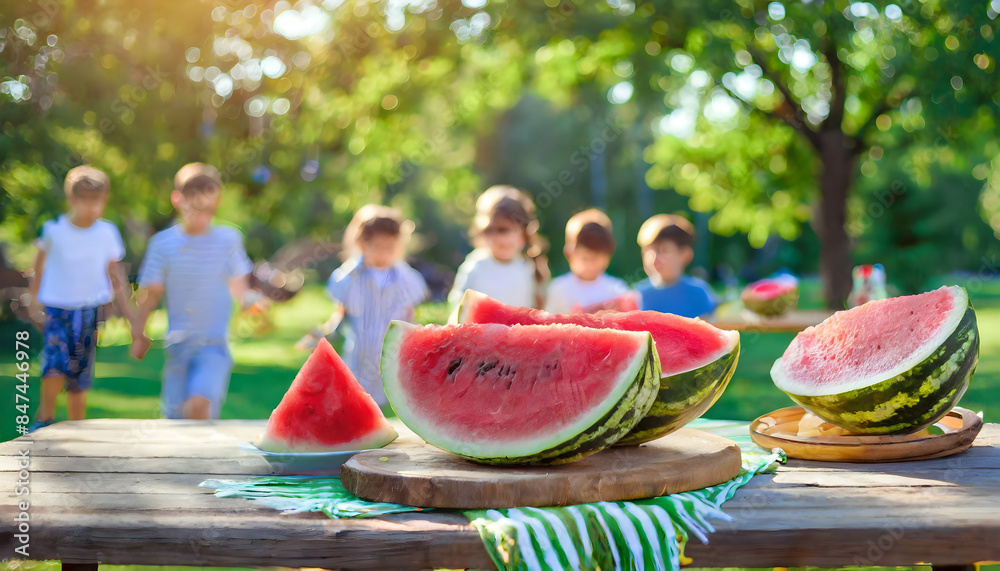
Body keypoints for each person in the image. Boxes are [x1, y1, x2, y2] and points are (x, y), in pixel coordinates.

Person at [130, 163, 254, 420]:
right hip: (177, 346)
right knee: (175, 423)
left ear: (217, 202)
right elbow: (151, 293)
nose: (201, 215)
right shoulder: (162, 244)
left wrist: (251, 302)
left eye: (207, 208)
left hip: (214, 345)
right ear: (178, 200)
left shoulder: (228, 239)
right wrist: (139, 332)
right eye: (195, 207)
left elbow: (239, 285)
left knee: (198, 408)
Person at [27, 165, 135, 431]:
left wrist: (129, 315)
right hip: (57, 306)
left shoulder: (107, 233)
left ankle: (78, 429)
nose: (89, 207)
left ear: (104, 200)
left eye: (95, 200)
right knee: (53, 363)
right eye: (83, 200)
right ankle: (44, 419)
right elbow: (38, 267)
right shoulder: (53, 230)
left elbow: (116, 276)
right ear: (71, 199)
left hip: (88, 310)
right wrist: (33, 301)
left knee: (80, 369)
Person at [324, 204, 428, 405]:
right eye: (376, 246)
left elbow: (410, 317)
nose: (382, 252)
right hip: (358, 356)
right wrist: (326, 333)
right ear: (362, 243)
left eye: (388, 247)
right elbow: (341, 312)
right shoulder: (348, 277)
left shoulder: (407, 279)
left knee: (393, 402)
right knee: (356, 403)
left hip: (393, 357)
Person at [448, 185, 549, 309]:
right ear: (484, 231)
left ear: (526, 234)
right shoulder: (476, 264)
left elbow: (541, 307)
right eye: (502, 230)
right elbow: (457, 303)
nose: (509, 239)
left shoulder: (529, 267)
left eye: (518, 230)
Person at [544, 208, 629, 314]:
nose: (590, 264)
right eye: (585, 257)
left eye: (596, 257)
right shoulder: (558, 289)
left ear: (607, 256)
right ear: (570, 253)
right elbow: (550, 324)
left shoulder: (618, 291)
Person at [633, 214, 717, 319]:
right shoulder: (637, 295)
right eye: (648, 250)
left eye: (663, 250)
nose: (653, 257)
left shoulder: (699, 293)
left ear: (685, 254)